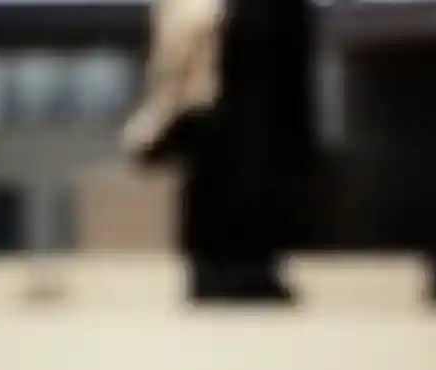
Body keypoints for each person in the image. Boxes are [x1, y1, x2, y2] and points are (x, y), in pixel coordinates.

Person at [124, 0, 316, 302]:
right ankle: (221, 269)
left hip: (256, 109)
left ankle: (248, 267)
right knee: (221, 178)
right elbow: (174, 56)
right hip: (210, 106)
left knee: (253, 175)